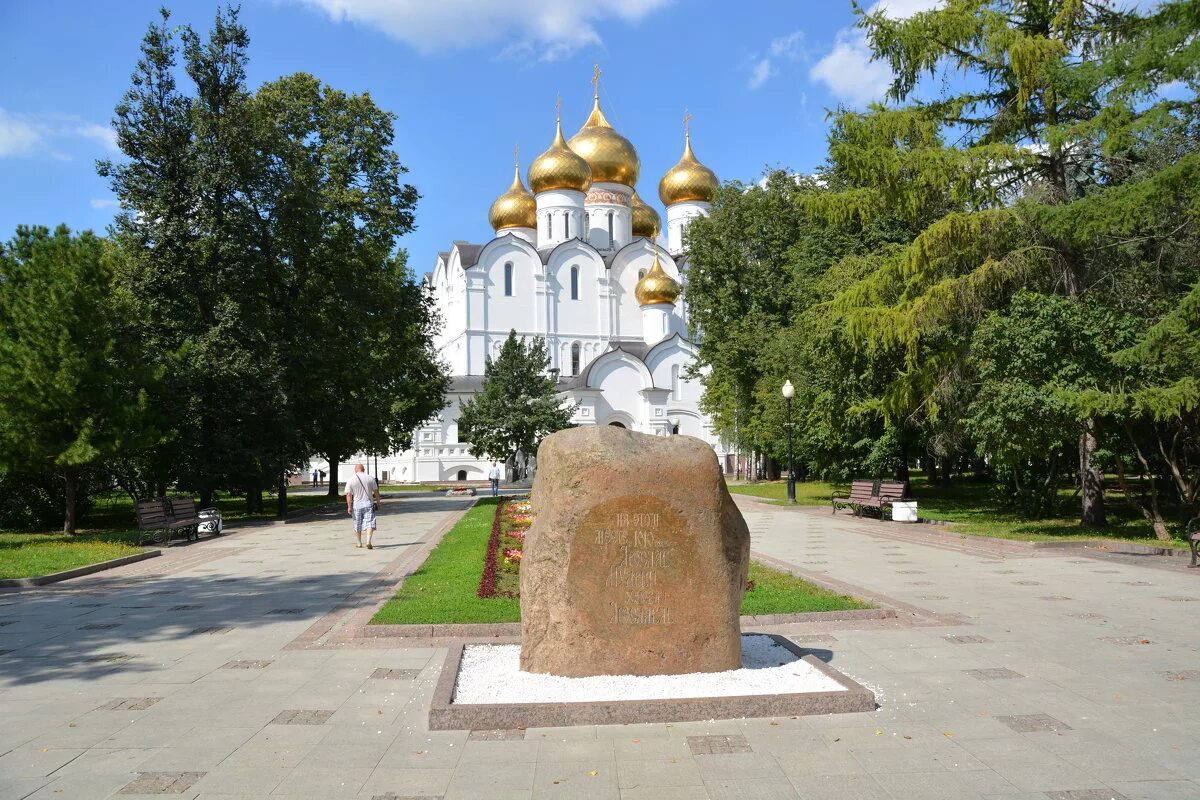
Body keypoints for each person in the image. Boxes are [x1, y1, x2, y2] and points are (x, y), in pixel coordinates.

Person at [345, 464, 381, 549]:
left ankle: (359, 543)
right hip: (368, 503)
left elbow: (349, 495)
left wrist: (349, 506)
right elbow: (376, 492)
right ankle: (368, 541)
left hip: (357, 505)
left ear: (355, 470)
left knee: (357, 523)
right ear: (364, 469)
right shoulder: (370, 478)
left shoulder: (351, 479)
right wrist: (378, 502)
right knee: (370, 522)